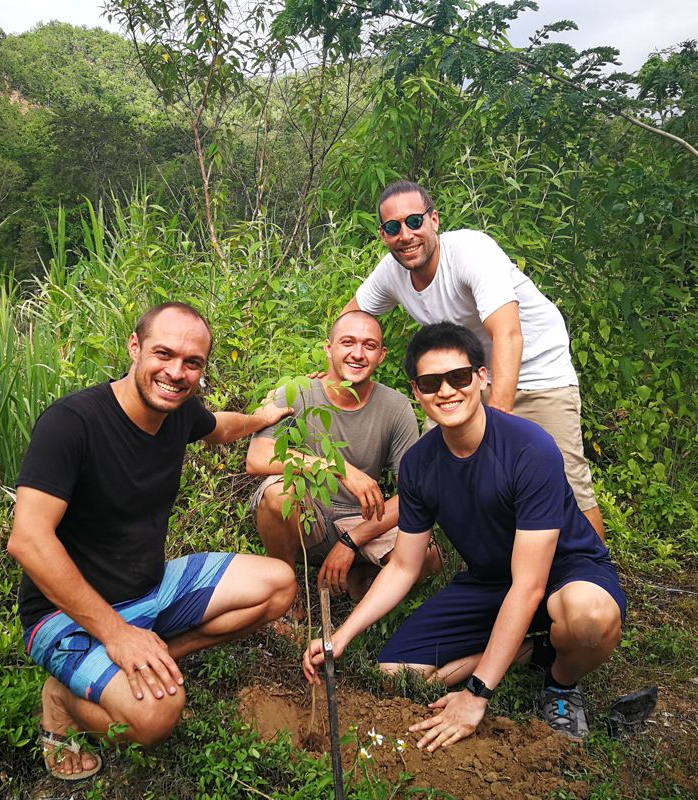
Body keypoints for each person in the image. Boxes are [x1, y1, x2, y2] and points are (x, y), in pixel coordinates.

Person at [7, 302, 297, 782]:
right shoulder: (72, 423)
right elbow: (28, 541)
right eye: (164, 354)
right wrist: (116, 635)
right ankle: (63, 699)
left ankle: (149, 660)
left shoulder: (180, 413)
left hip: (150, 589)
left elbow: (221, 428)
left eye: (193, 363)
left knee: (279, 585)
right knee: (156, 717)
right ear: (135, 346)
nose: (176, 372)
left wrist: (262, 417)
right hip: (63, 617)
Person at [303, 322, 626, 746]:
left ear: (481, 377)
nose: (447, 391)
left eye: (458, 377)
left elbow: (529, 584)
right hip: (491, 581)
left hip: (564, 572)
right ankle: (535, 644)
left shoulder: (529, 447)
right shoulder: (420, 463)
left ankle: (560, 681)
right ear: (416, 392)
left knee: (589, 621)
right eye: (431, 383)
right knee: (396, 672)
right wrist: (340, 636)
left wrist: (476, 694)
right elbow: (403, 565)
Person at [343, 180, 605, 540]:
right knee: (436, 469)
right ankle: (477, 571)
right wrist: (331, 372)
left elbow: (508, 335)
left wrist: (496, 428)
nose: (406, 235)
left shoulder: (470, 252)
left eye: (415, 221)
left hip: (537, 369)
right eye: (393, 227)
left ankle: (596, 580)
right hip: (466, 378)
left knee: (565, 484)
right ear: (383, 234)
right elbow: (351, 318)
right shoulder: (392, 272)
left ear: (434, 219)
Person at [246, 310, 439, 601]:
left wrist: (351, 540)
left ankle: (359, 574)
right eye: (347, 342)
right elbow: (257, 458)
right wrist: (336, 468)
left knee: (430, 557)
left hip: (361, 521)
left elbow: (412, 496)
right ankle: (285, 593)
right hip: (308, 516)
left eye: (369, 345)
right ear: (329, 348)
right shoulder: (297, 392)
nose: (358, 354)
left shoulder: (396, 406)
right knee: (277, 494)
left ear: (381, 355)